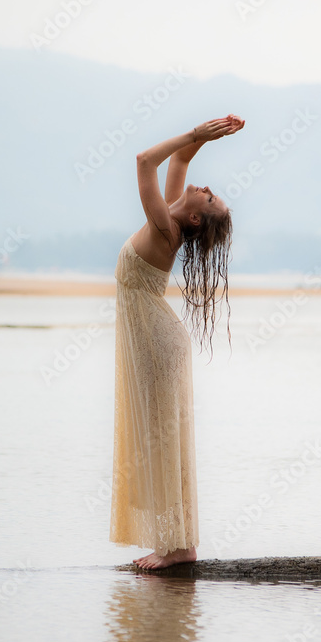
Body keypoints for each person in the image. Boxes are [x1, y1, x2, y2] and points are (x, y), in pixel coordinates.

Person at [109, 115, 244, 570]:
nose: (205, 188)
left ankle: (177, 548)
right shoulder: (170, 214)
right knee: (161, 439)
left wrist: (193, 135)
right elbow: (180, 159)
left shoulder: (164, 226)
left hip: (155, 341)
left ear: (192, 217)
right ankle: (178, 544)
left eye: (209, 198)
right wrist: (207, 135)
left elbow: (145, 161)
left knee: (161, 440)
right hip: (155, 336)